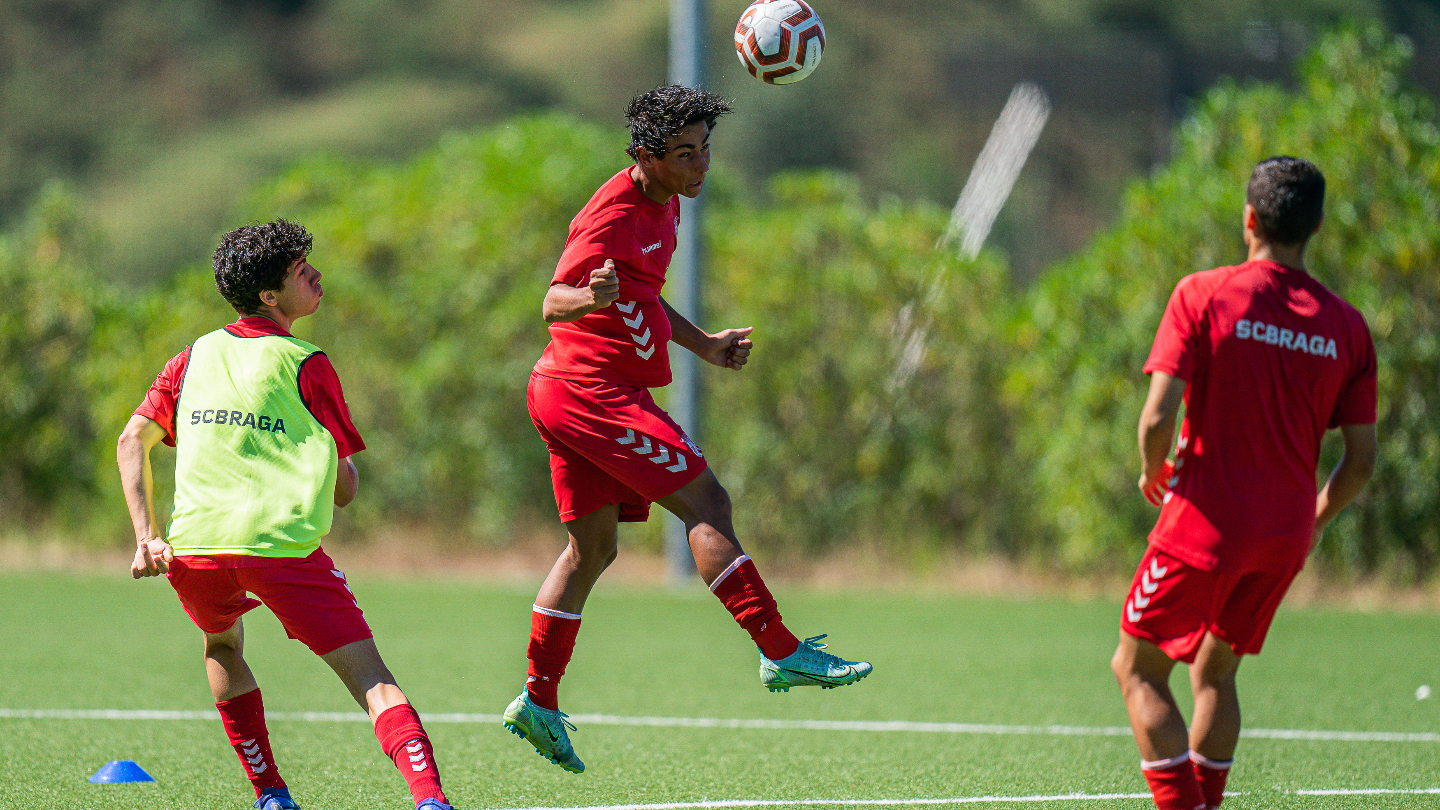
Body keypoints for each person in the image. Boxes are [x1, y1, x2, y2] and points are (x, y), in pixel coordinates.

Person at [502, 85, 872, 774]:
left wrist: (703, 344)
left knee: (592, 550)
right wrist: (589, 296)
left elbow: (642, 294)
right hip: (589, 393)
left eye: (705, 149)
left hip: (574, 390)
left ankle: (538, 702)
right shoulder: (612, 212)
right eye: (684, 154)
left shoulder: (667, 201)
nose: (701, 164)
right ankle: (780, 650)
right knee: (708, 503)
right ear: (645, 156)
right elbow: (553, 302)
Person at [117, 220, 455, 810]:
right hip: (281, 550)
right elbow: (346, 489)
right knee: (372, 679)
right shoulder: (307, 362)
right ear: (270, 296)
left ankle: (271, 794)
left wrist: (146, 537)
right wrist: (334, 473)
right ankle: (430, 801)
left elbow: (131, 440)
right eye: (302, 271)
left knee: (222, 647)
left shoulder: (191, 357)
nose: (317, 275)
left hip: (195, 550)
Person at [1111, 157, 1378, 810]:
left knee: (1138, 670)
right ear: (1316, 226)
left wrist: (1151, 468)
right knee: (1215, 673)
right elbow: (1360, 462)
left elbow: (1157, 417)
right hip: (1283, 537)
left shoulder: (1203, 294)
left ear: (1249, 219)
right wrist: (1313, 521)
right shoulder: (1347, 326)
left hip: (1204, 526)